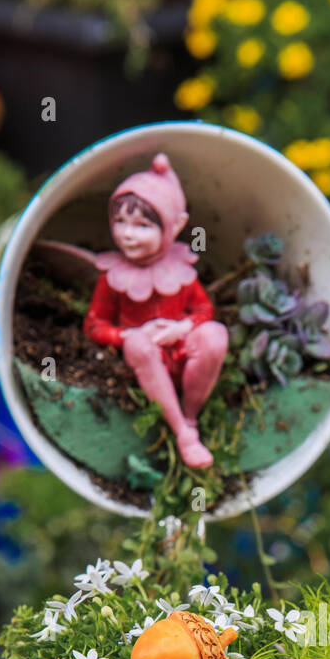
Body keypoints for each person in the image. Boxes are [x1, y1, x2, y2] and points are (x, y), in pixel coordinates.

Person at [83, 152, 227, 469]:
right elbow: (94, 326)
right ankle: (183, 433)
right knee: (137, 344)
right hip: (145, 361)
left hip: (181, 353)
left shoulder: (181, 269)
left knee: (215, 335)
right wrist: (127, 335)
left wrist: (183, 328)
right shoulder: (112, 277)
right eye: (120, 222)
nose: (128, 234)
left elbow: (204, 309)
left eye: (143, 225)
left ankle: (191, 415)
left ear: (175, 227)